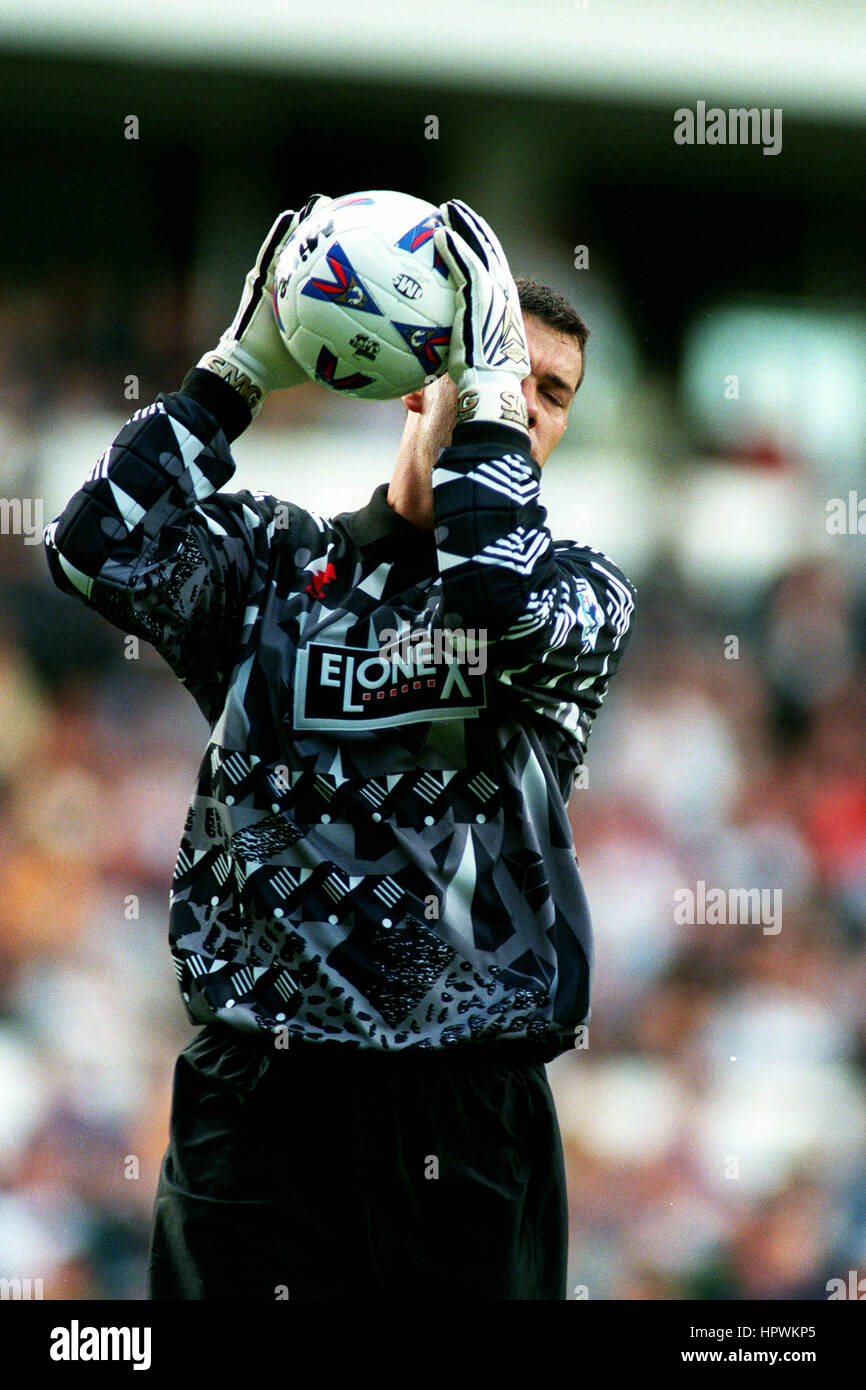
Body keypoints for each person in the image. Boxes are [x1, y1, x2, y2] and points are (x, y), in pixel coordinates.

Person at [43, 194, 635, 1301]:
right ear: (419, 374)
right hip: (263, 1097)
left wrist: (489, 388)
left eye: (549, 393)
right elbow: (89, 549)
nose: (525, 407)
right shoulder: (274, 563)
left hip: (468, 1111)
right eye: (499, 367)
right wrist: (236, 374)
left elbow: (491, 596)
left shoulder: (580, 596)